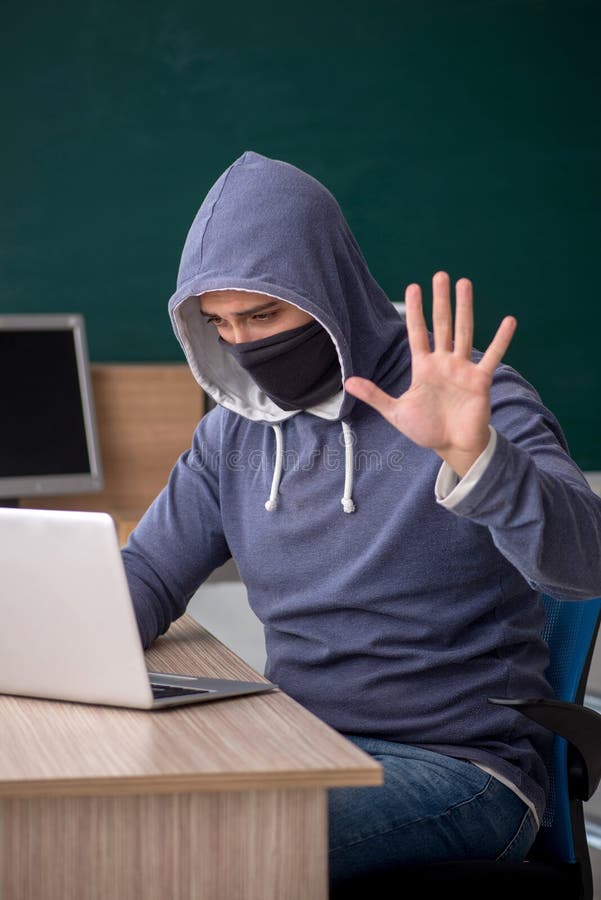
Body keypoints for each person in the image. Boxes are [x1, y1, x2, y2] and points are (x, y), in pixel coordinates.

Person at [122, 150, 601, 885]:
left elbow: (583, 565)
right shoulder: (235, 430)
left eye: (263, 314)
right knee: (121, 820)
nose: (245, 346)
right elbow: (151, 569)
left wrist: (479, 461)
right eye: (219, 324)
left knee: (208, 851)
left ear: (327, 291)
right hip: (298, 742)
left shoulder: (470, 398)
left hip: (460, 770)